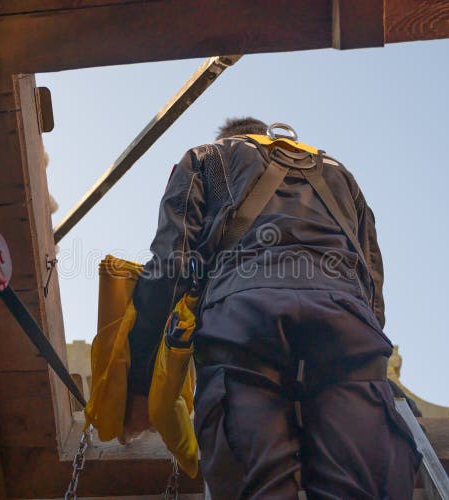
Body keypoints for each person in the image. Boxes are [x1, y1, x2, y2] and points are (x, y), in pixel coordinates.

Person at [124, 117, 421, 499]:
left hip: (243, 324)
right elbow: (372, 285)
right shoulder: (339, 174)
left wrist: (141, 387)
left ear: (234, 138)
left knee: (258, 488)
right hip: (347, 327)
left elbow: (172, 263)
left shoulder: (208, 157)